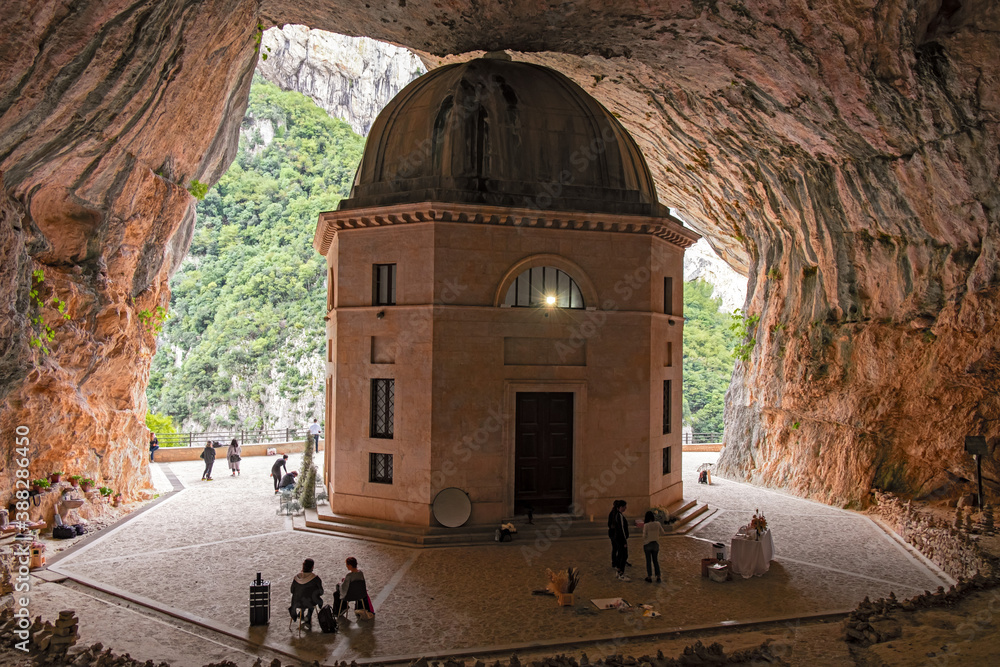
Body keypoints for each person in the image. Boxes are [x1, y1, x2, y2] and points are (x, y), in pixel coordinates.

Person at [289, 558, 323, 630]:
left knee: (304, 596)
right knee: (312, 598)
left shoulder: (296, 578)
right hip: (310, 602)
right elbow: (321, 592)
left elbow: (292, 591)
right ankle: (308, 617)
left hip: (296, 603)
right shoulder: (316, 579)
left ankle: (301, 613)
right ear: (312, 567)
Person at [610, 500, 630, 581]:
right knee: (623, 556)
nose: (625, 508)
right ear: (620, 507)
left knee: (620, 555)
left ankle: (619, 571)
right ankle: (621, 573)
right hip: (621, 539)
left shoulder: (617, 515)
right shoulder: (619, 516)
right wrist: (624, 541)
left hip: (618, 539)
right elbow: (621, 529)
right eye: (624, 506)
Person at [642, 510, 664, 583]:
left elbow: (644, 536)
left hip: (647, 544)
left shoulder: (646, 525)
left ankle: (649, 577)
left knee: (648, 561)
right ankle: (658, 576)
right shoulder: (658, 524)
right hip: (655, 544)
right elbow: (663, 532)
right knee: (655, 561)